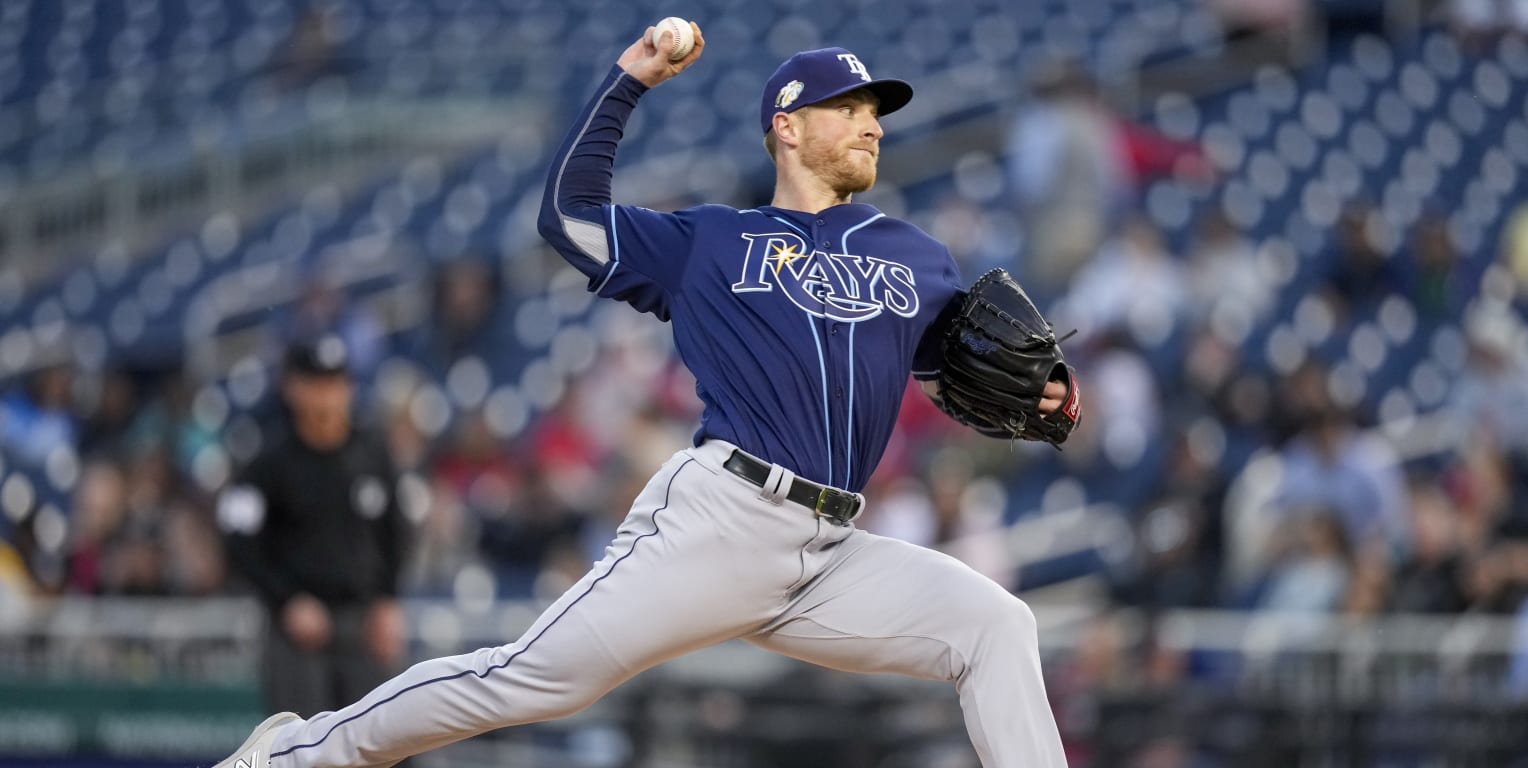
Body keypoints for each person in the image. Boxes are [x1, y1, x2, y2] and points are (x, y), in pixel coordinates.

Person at [215, 23, 1071, 768]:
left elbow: (957, 366)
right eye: (846, 107)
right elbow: (570, 216)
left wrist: (1041, 398)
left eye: (874, 111)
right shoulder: (711, 242)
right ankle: (295, 753)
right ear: (787, 127)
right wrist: (630, 81)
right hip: (721, 523)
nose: (869, 124)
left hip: (833, 549)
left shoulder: (914, 255)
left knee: (996, 626)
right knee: (527, 682)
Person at [217, 334, 410, 721]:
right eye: (316, 384)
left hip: (363, 622)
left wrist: (389, 599)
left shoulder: (372, 453)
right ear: (293, 388)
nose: (327, 397)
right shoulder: (268, 464)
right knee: (302, 747)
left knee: (384, 745)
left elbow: (396, 529)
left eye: (335, 384)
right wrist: (285, 599)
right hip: (298, 632)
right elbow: (239, 541)